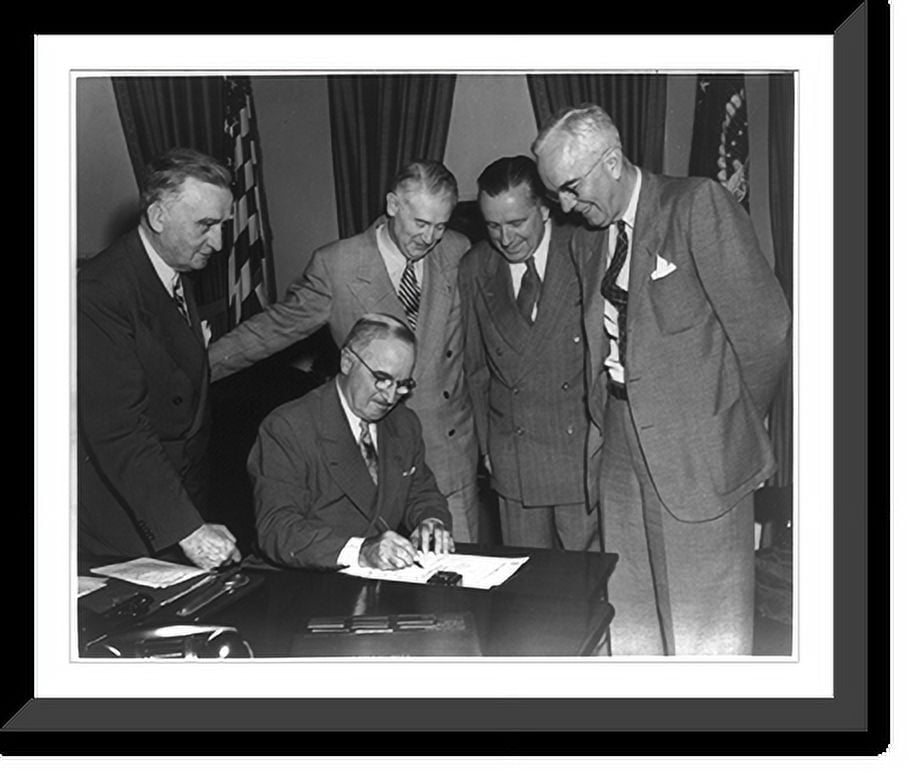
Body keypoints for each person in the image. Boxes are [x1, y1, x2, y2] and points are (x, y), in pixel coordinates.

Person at [532, 104, 791, 655]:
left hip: (701, 456)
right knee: (633, 630)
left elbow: (765, 331)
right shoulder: (585, 237)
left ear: (613, 159)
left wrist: (726, 427)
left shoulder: (694, 205)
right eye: (555, 193)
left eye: (572, 188)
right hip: (621, 450)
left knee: (705, 638)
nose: (565, 206)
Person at [208, 160, 479, 543]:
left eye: (440, 225)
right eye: (420, 223)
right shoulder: (337, 265)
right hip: (370, 458)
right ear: (392, 205)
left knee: (459, 582)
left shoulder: (457, 250)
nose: (429, 238)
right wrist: (199, 369)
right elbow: (273, 329)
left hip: (448, 453)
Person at [78, 148, 242, 570]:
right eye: (205, 225)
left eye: (222, 225)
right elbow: (119, 431)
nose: (220, 243)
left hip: (177, 510)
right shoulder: (101, 290)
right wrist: (187, 529)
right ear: (157, 217)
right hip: (127, 527)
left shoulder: (173, 268)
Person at [459, 156, 595, 550]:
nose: (505, 239)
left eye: (517, 223)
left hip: (581, 454)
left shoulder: (584, 248)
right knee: (527, 587)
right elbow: (475, 370)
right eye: (492, 226)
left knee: (588, 584)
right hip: (514, 460)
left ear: (544, 208)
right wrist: (487, 449)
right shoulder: (475, 267)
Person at [248, 314, 454, 569]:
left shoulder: (404, 423)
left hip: (380, 578)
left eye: (402, 385)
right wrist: (362, 551)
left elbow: (421, 492)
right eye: (381, 378)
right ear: (347, 361)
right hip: (305, 578)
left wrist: (431, 521)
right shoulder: (289, 427)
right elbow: (277, 529)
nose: (390, 397)